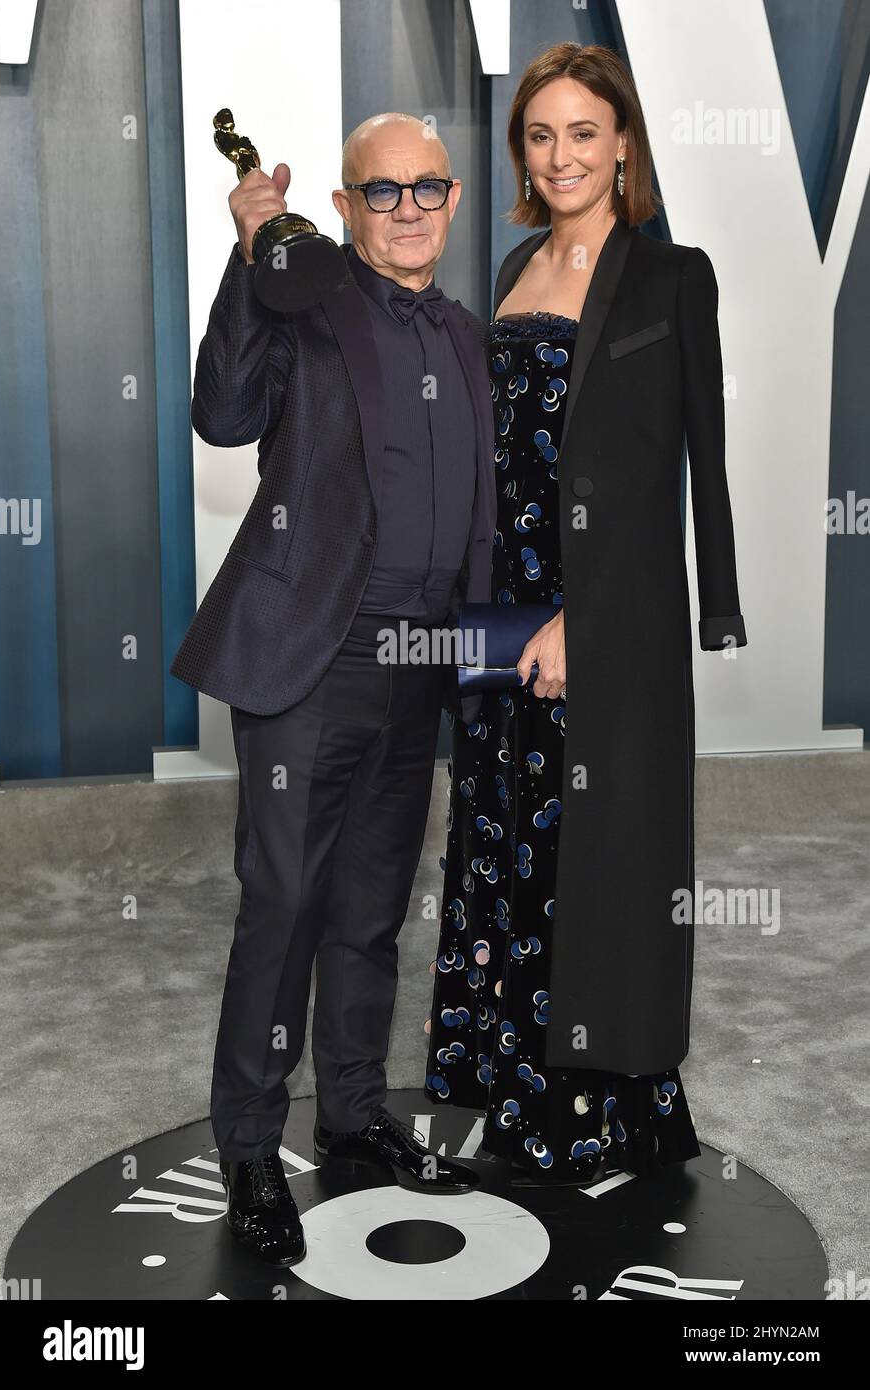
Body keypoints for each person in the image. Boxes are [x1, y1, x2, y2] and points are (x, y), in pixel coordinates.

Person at [171, 112, 497, 1265]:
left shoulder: (464, 335)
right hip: (310, 657)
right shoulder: (302, 302)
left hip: (421, 668)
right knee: (284, 908)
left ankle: (355, 1113)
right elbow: (222, 416)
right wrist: (249, 260)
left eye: (427, 190)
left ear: (454, 202)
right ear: (349, 209)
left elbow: (479, 515)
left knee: (369, 910)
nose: (407, 210)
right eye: (382, 193)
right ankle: (254, 1146)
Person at [425, 43, 747, 1184]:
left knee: (593, 858)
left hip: (592, 620)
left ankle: (595, 1109)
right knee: (502, 840)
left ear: (623, 147)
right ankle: (511, 1086)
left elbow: (689, 473)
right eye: (541, 134)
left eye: (583, 133)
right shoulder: (512, 261)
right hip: (494, 609)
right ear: (523, 151)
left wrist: (588, 620)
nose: (561, 154)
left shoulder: (671, 278)